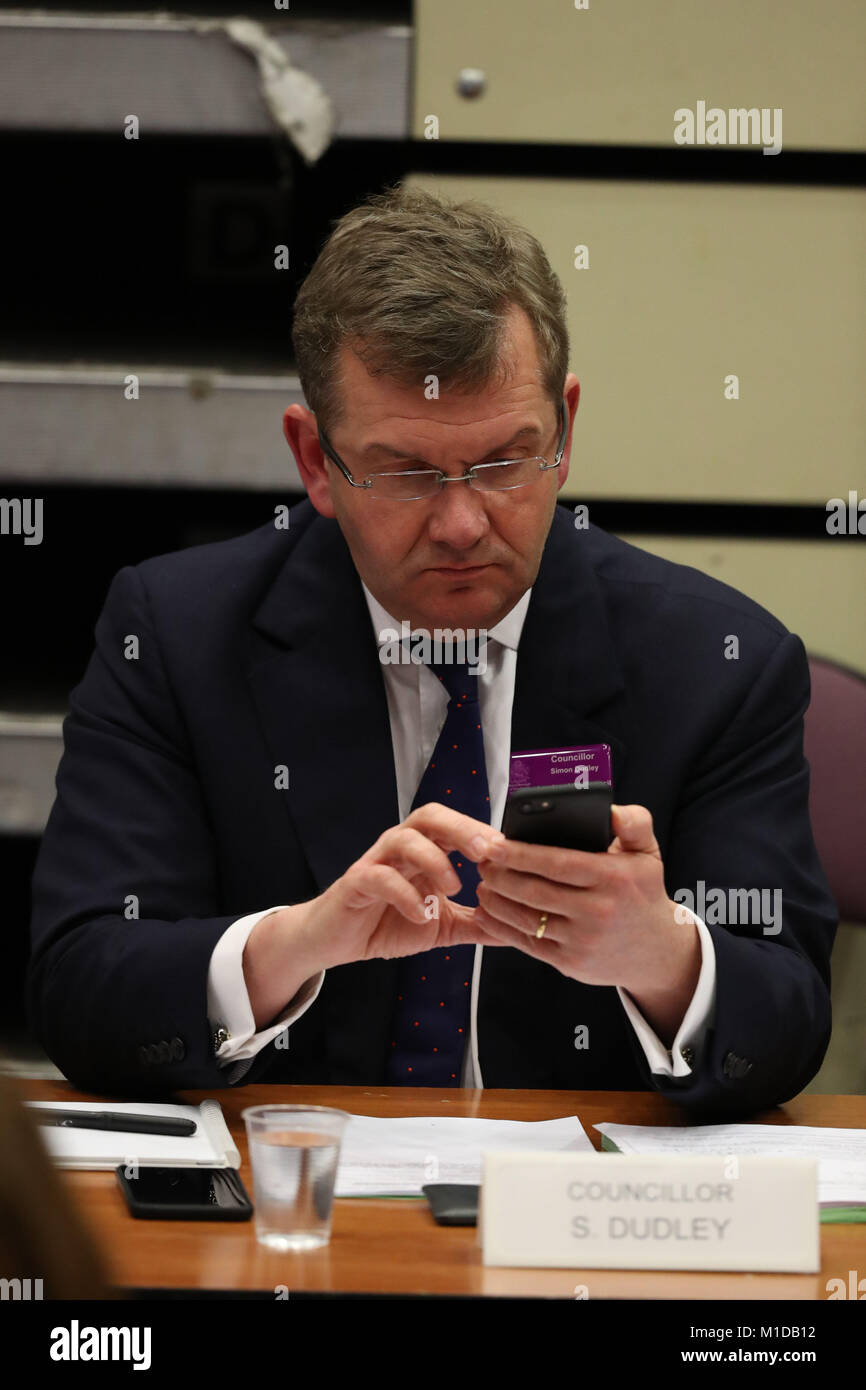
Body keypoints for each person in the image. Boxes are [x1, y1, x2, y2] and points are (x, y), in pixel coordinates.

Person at [28, 185, 836, 1117]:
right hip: (291, 1214)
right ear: (314, 462)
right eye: (407, 472)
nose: (461, 524)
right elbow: (79, 988)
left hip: (579, 1230)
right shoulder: (175, 636)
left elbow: (790, 1023)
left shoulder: (718, 664)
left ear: (565, 432)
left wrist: (662, 957)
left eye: (504, 462)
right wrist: (288, 948)